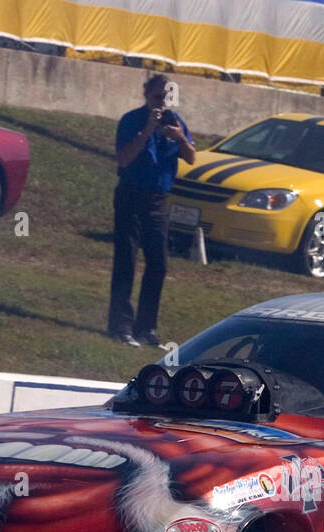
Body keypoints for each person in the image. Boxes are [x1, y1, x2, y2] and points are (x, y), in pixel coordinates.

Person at [108, 73, 195, 348]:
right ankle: (120, 326)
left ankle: (146, 327)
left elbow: (192, 157)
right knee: (126, 260)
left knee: (158, 264)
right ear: (147, 95)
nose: (162, 102)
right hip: (131, 195)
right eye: (158, 97)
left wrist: (180, 138)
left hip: (158, 200)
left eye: (167, 97)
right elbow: (123, 158)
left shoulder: (175, 122)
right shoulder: (131, 120)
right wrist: (146, 130)